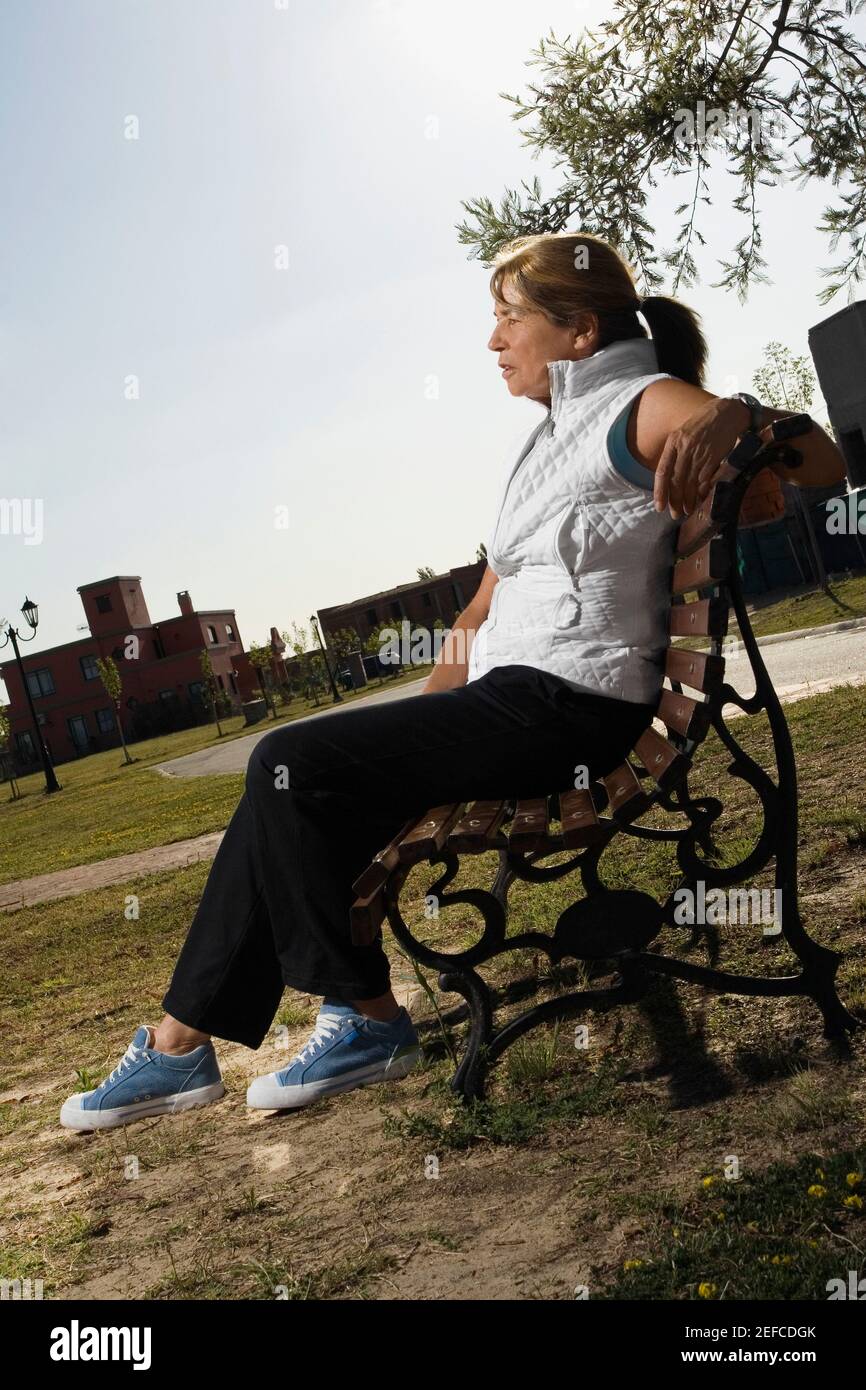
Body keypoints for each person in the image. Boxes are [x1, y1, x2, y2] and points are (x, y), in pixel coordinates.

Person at [60, 232, 846, 1131]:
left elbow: (821, 464)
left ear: (581, 332)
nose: (493, 340)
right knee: (285, 777)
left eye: (509, 318)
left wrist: (731, 412)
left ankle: (366, 1019)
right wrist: (400, 746)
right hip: (511, 704)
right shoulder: (549, 440)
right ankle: (177, 1048)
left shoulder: (642, 400)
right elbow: (474, 620)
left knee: (286, 759)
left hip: (573, 710)